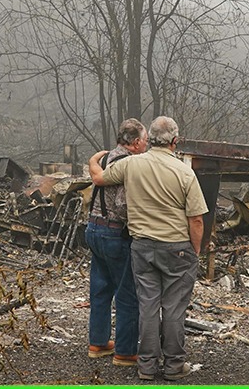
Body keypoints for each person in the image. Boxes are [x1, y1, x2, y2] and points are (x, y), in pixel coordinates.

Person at [88, 116, 208, 381]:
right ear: (175, 142)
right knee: (174, 308)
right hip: (176, 247)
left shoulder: (130, 164)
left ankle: (147, 366)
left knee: (148, 306)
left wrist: (93, 161)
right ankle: (175, 366)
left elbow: (99, 179)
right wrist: (195, 251)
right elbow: (197, 219)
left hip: (141, 247)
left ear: (150, 140)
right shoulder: (185, 172)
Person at [86, 118, 148, 366]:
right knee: (127, 293)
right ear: (135, 143)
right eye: (144, 141)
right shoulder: (130, 163)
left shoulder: (103, 158)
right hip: (114, 233)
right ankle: (125, 351)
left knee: (100, 290)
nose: (146, 145)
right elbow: (123, 205)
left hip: (92, 229)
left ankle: (98, 343)